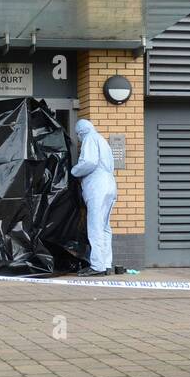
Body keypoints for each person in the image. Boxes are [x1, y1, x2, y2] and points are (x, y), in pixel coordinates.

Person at [72, 118, 117, 277]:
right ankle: (106, 264)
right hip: (110, 184)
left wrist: (73, 172)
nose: (78, 137)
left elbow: (89, 162)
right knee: (105, 226)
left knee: (95, 225)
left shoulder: (89, 138)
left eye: (78, 134)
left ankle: (97, 266)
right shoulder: (102, 140)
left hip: (97, 186)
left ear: (81, 131)